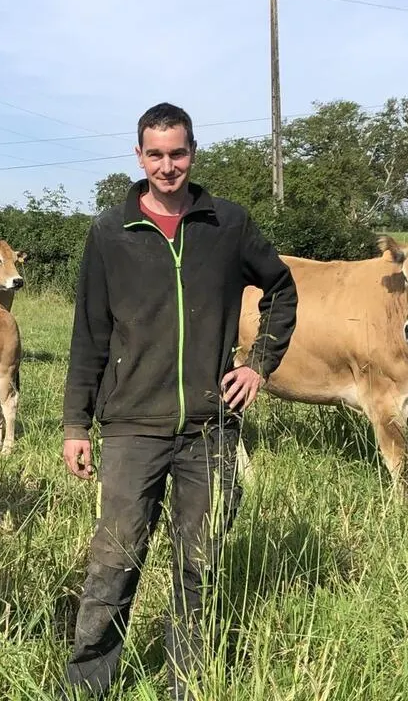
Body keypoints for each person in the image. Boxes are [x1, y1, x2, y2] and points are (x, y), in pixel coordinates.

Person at [60, 102, 298, 699]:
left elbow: (281, 288)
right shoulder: (110, 231)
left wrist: (258, 366)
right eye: (156, 154)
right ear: (139, 157)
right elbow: (89, 332)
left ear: (193, 153)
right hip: (131, 426)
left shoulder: (227, 224)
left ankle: (187, 686)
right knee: (114, 563)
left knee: (201, 566)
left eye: (178, 153)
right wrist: (75, 423)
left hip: (210, 427)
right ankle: (90, 685)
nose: (168, 166)